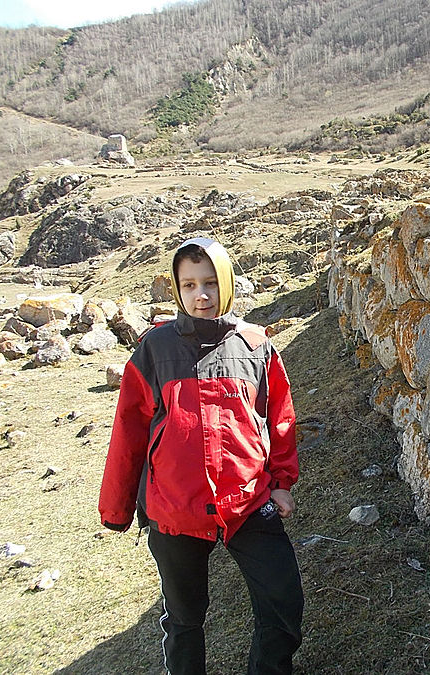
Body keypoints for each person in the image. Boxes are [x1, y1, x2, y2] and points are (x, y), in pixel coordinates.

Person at [99, 237, 303, 675]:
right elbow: (129, 433)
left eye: (211, 283)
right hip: (175, 509)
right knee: (185, 618)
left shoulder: (256, 344)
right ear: (177, 289)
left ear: (227, 284)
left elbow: (280, 420)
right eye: (189, 285)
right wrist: (116, 509)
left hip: (249, 503)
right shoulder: (155, 348)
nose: (202, 295)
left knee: (283, 605)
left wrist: (282, 483)